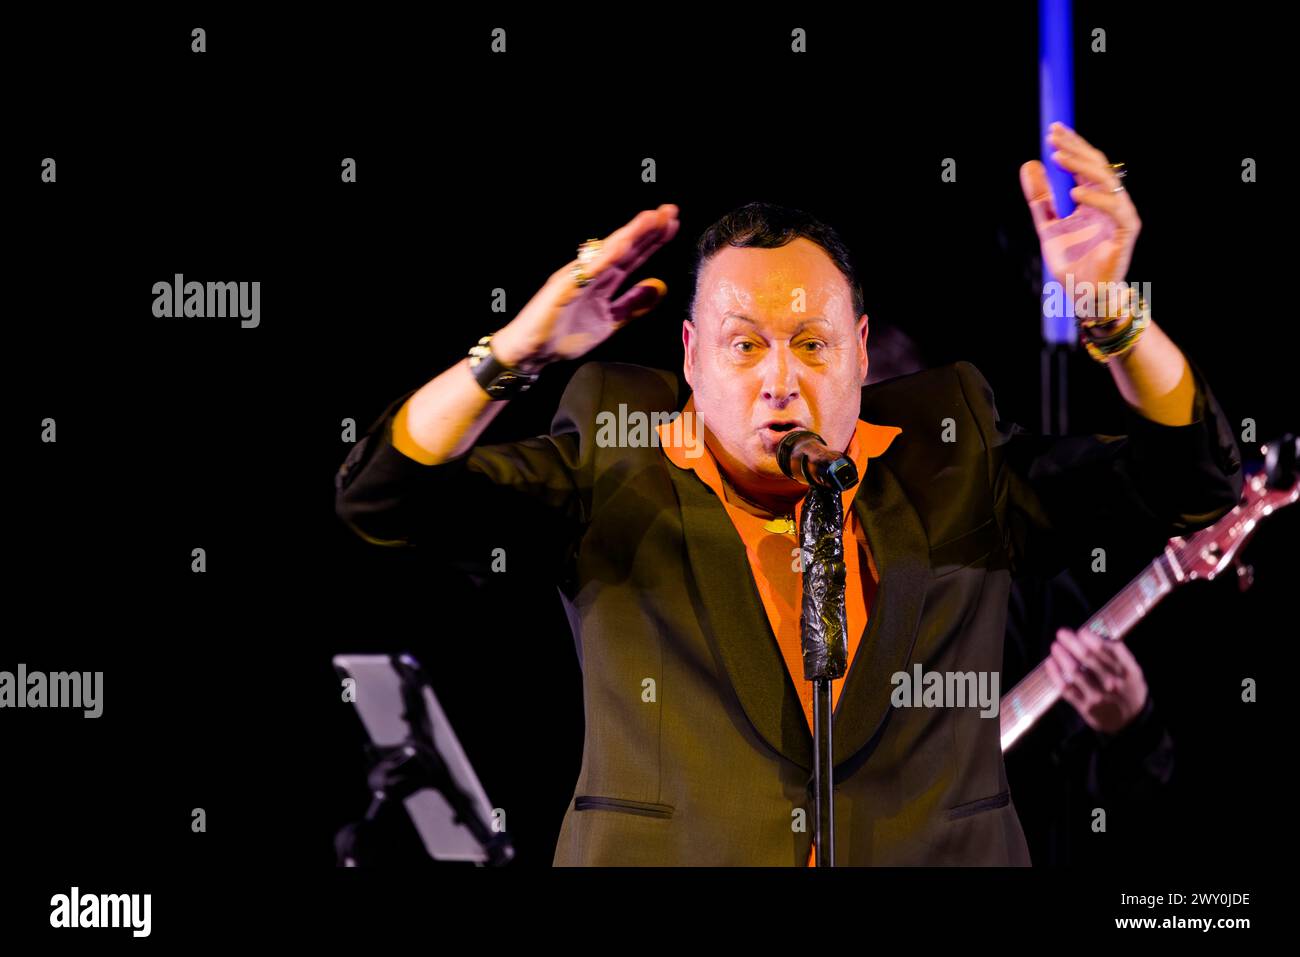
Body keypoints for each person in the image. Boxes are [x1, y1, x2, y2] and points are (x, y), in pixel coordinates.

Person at [334, 124, 1242, 865]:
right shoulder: (613, 461)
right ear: (689, 357)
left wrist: (1115, 316)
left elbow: (1191, 483)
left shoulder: (950, 454)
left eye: (813, 344)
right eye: (743, 345)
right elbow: (383, 496)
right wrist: (515, 355)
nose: (780, 381)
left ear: (861, 350)